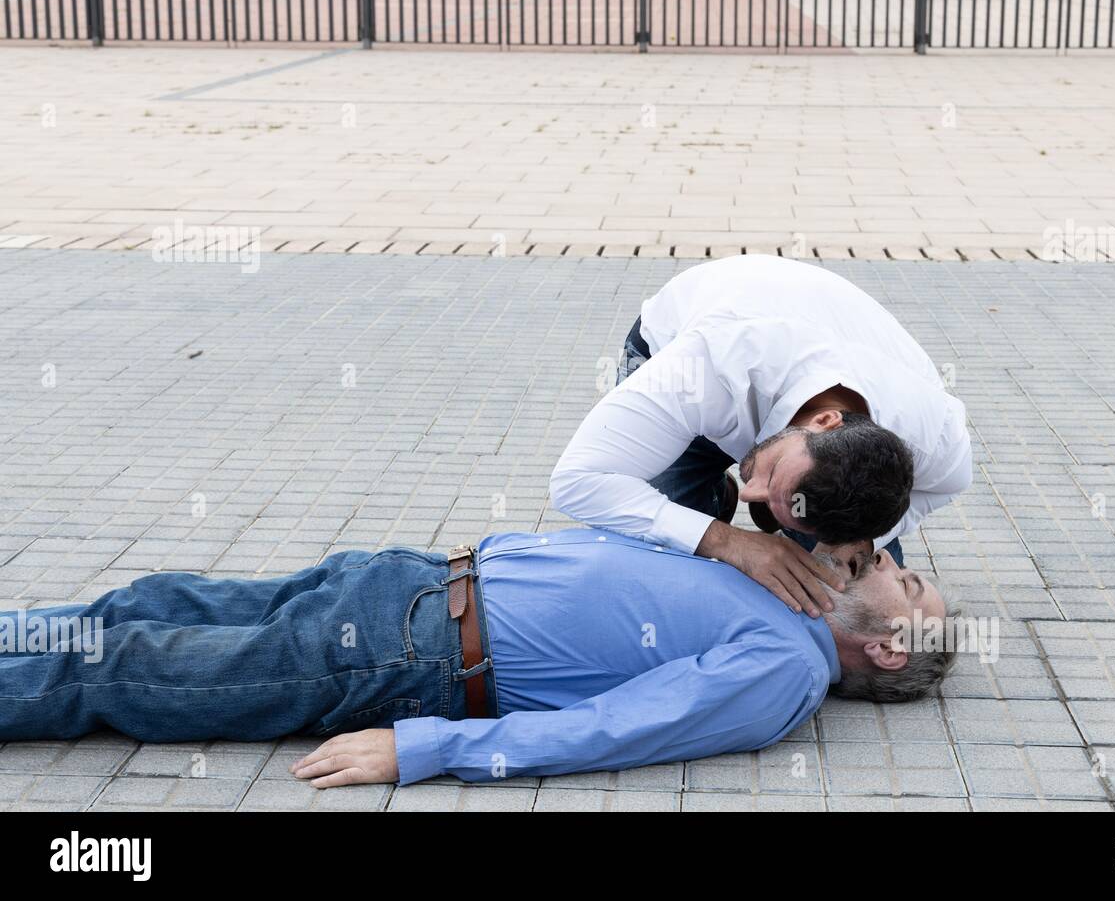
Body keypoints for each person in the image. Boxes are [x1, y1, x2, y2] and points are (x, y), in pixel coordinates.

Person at [0, 529, 956, 788]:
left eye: (910, 590)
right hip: (404, 582)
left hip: (403, 657)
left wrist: (421, 751)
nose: (897, 565)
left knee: (120, 667)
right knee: (146, 604)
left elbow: (617, 730)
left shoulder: (786, 672)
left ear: (880, 649)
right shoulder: (785, 575)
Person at [550, 254, 972, 618]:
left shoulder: (934, 433)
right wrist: (728, 541)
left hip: (834, 339)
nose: (753, 493)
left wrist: (860, 540)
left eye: (773, 488)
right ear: (823, 422)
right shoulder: (708, 362)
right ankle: (710, 490)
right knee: (659, 564)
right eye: (770, 479)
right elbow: (577, 482)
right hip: (694, 352)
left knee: (852, 594)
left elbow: (949, 486)